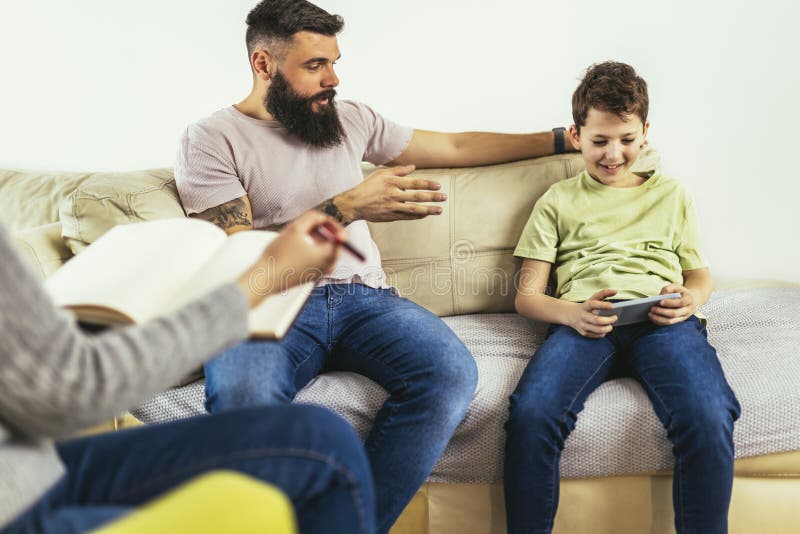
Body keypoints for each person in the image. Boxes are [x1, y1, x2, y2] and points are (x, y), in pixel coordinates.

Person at [174, 1, 572, 531]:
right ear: (263, 65)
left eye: (335, 62)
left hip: (364, 298)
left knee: (450, 373)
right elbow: (244, 256)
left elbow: (453, 145)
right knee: (241, 396)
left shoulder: (350, 118)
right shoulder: (210, 139)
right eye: (314, 66)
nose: (332, 79)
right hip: (275, 302)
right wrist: (347, 207)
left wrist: (555, 139)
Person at [0, 211, 377, 534]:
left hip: (30, 467)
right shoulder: (211, 142)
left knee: (323, 439)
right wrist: (264, 277)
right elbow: (72, 386)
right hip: (16, 505)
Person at [504, 61, 742, 534]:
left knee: (709, 412)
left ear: (646, 132)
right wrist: (572, 315)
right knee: (532, 413)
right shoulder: (557, 200)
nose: (614, 154)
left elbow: (700, 277)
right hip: (586, 325)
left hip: (663, 322)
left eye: (627, 139)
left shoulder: (673, 195)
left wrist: (689, 301)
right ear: (576, 135)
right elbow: (527, 296)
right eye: (600, 141)